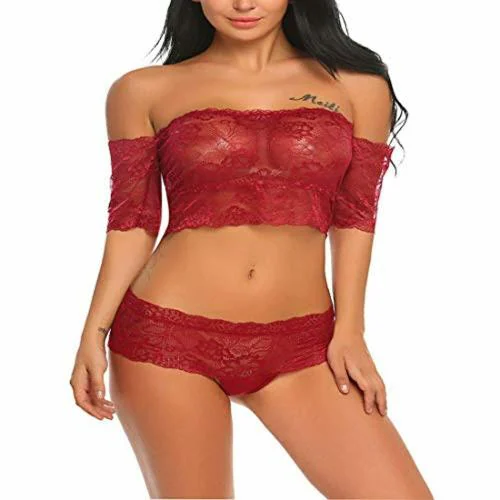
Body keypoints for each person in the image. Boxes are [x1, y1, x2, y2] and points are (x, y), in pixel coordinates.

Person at [70, 1, 433, 498]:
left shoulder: (358, 87)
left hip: (303, 345)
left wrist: (351, 329)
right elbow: (133, 223)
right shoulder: (142, 90)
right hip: (167, 340)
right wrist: (93, 332)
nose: (243, 3)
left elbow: (355, 215)